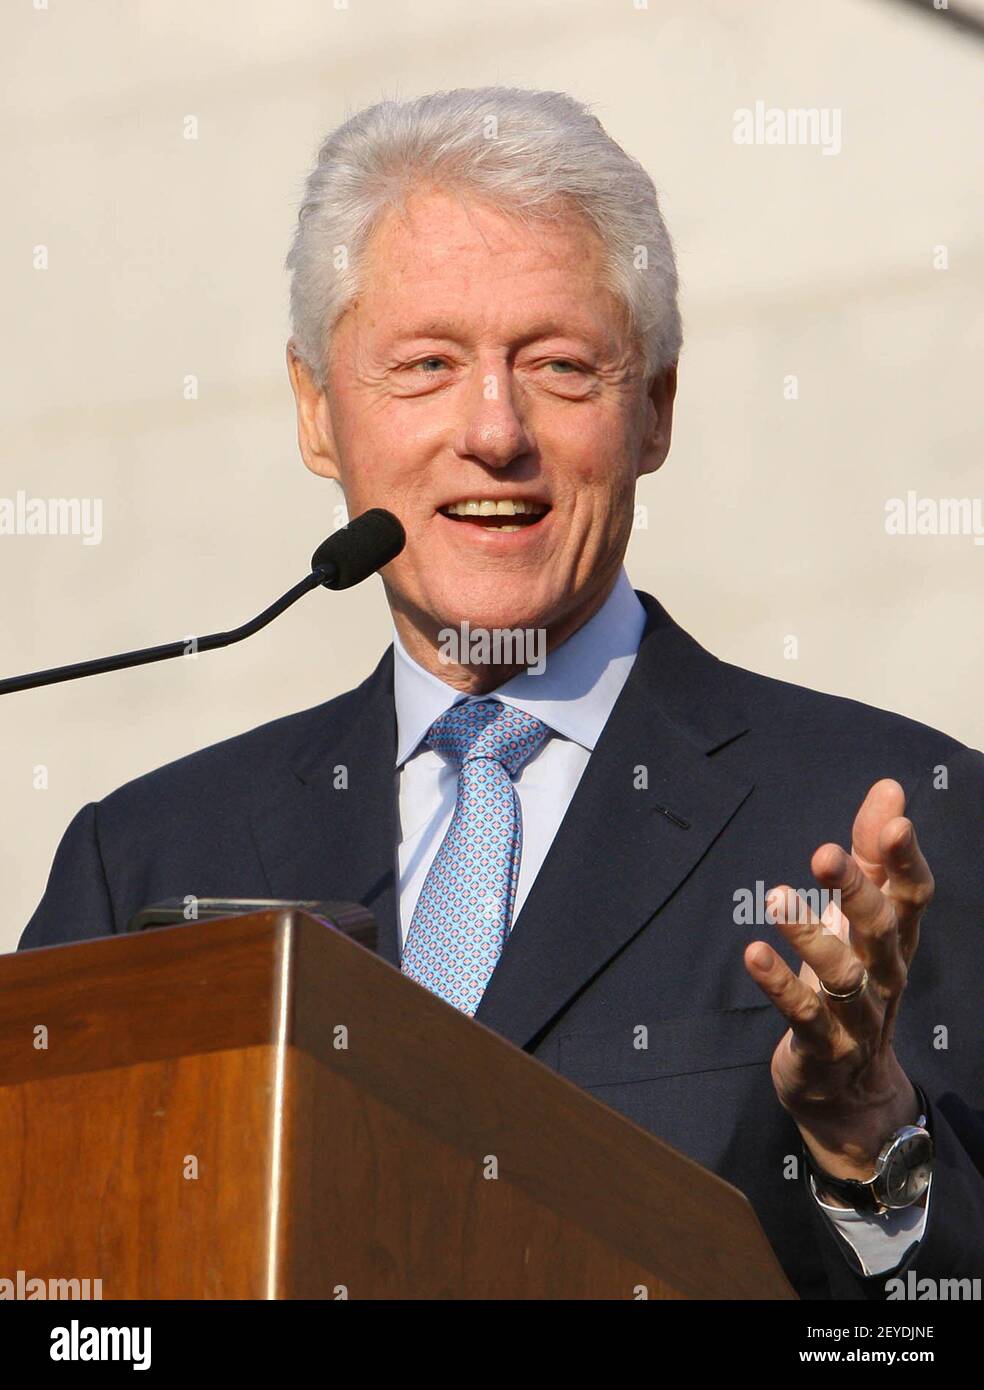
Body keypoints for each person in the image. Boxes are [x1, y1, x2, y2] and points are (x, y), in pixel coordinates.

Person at [20, 87, 984, 1299]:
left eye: (560, 366)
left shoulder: (891, 830)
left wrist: (865, 1142)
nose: (495, 431)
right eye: (426, 364)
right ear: (317, 413)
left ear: (654, 411)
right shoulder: (141, 859)